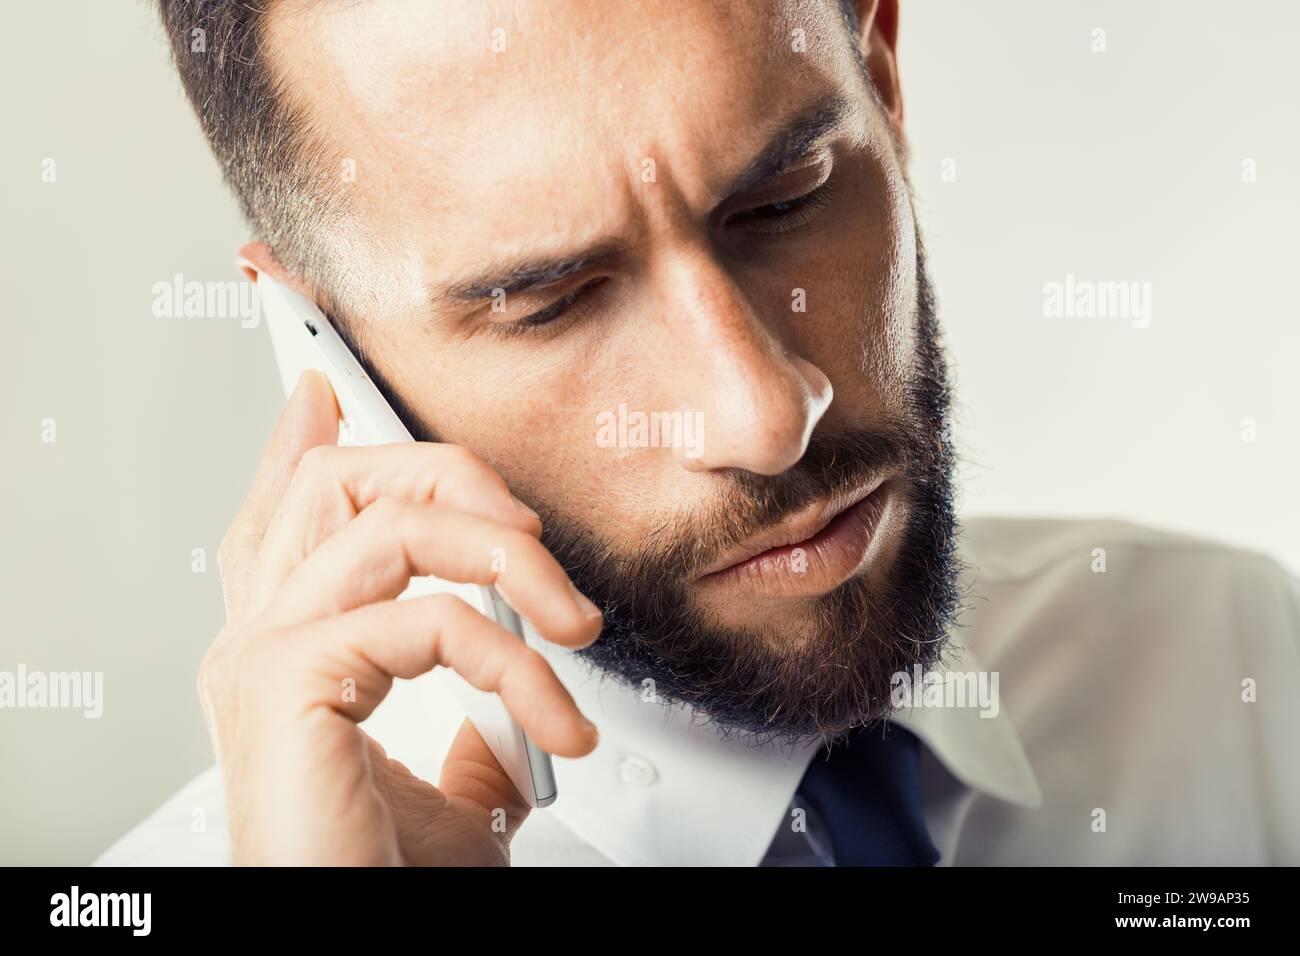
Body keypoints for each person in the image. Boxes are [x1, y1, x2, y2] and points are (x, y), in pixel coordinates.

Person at [97, 0, 1300, 866]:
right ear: (323, 342)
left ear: (882, 78)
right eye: (551, 299)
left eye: (786, 199)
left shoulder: (1241, 669)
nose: (767, 414)